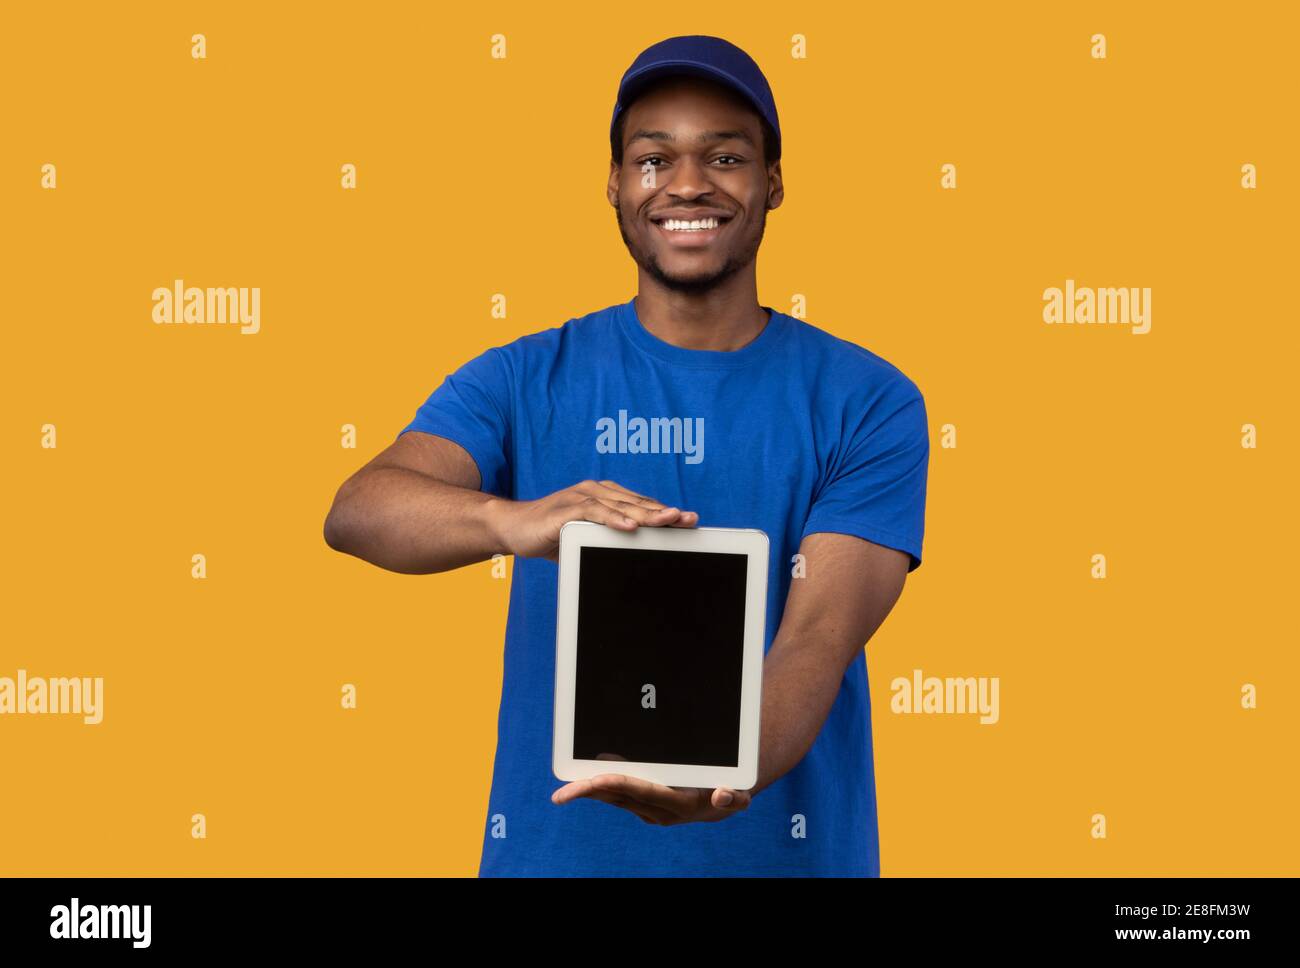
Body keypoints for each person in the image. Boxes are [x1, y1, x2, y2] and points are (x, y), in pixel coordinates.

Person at [323, 34, 930, 876]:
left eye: (725, 155)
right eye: (653, 158)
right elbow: (359, 509)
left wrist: (725, 768)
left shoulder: (867, 399)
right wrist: (513, 518)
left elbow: (818, 635)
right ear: (614, 184)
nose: (687, 183)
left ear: (774, 183)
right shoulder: (524, 378)